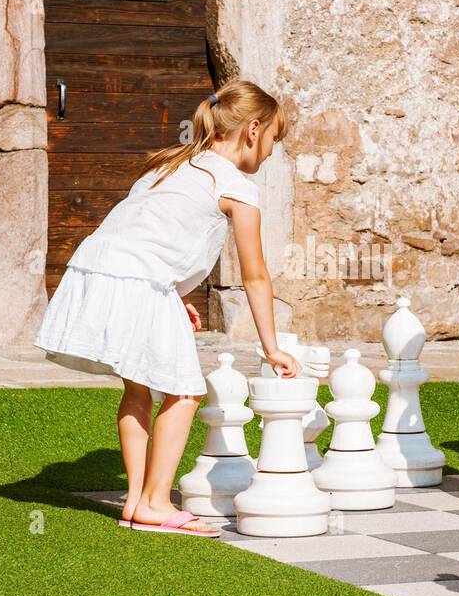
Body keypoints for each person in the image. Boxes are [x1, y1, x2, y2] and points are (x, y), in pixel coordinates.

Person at [34, 81, 299, 536]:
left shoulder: (169, 165)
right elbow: (255, 276)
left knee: (139, 390)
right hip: (138, 281)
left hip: (98, 268)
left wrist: (172, 298)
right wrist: (271, 348)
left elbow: (148, 230)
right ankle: (156, 501)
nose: (273, 150)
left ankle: (137, 500)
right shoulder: (236, 186)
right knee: (184, 392)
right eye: (275, 138)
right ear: (254, 130)